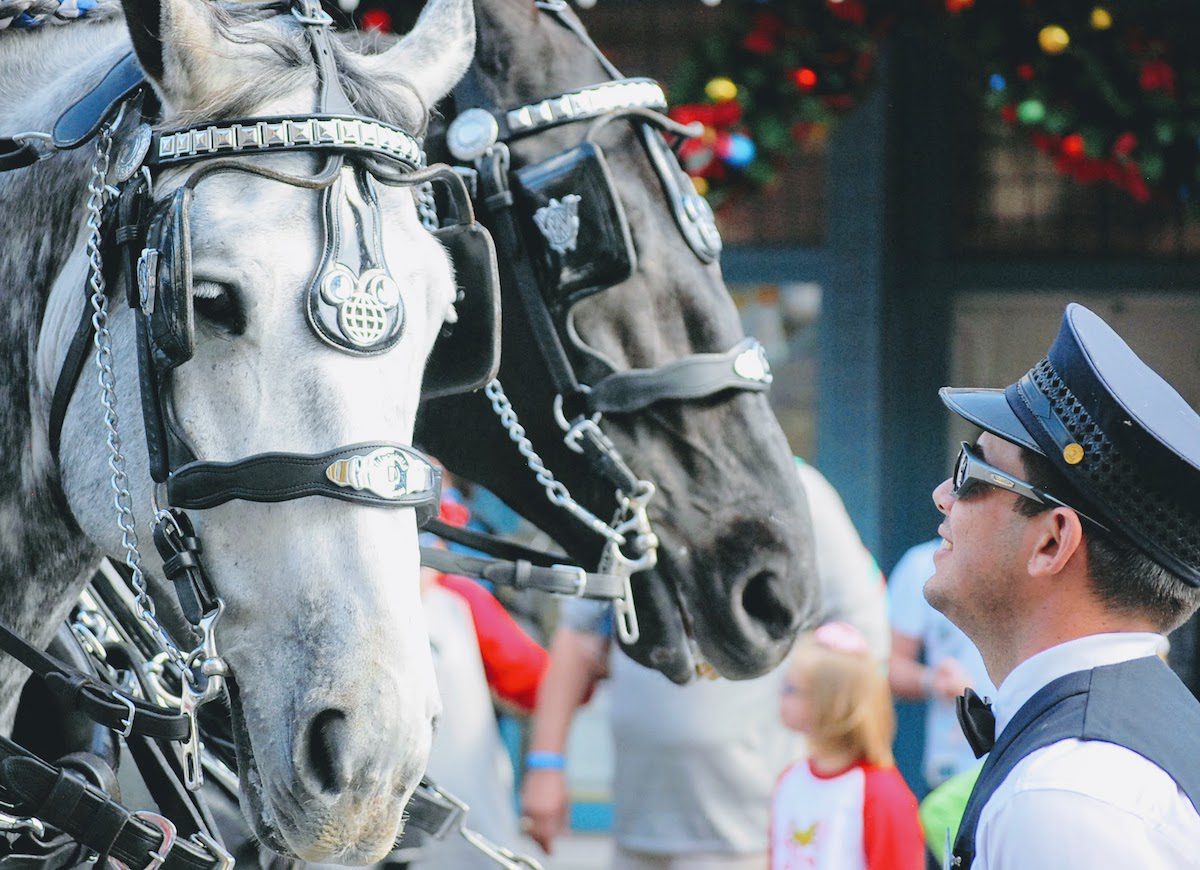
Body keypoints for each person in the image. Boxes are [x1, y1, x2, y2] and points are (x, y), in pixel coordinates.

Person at [929, 303, 1200, 868]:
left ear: (1052, 542)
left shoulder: (1065, 796)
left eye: (971, 471)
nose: (942, 495)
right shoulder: (1100, 759)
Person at [520, 458, 889, 869]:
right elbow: (578, 639)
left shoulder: (797, 490)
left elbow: (863, 638)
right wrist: (545, 763)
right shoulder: (626, 491)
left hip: (754, 829)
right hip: (637, 818)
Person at [772, 622, 924, 870]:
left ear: (830, 704)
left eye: (791, 689)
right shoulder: (790, 780)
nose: (780, 696)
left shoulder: (881, 794)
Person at [887, 539, 995, 789]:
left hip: (1018, 756)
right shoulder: (920, 564)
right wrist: (933, 681)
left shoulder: (1026, 557)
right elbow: (890, 666)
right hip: (952, 769)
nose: (943, 499)